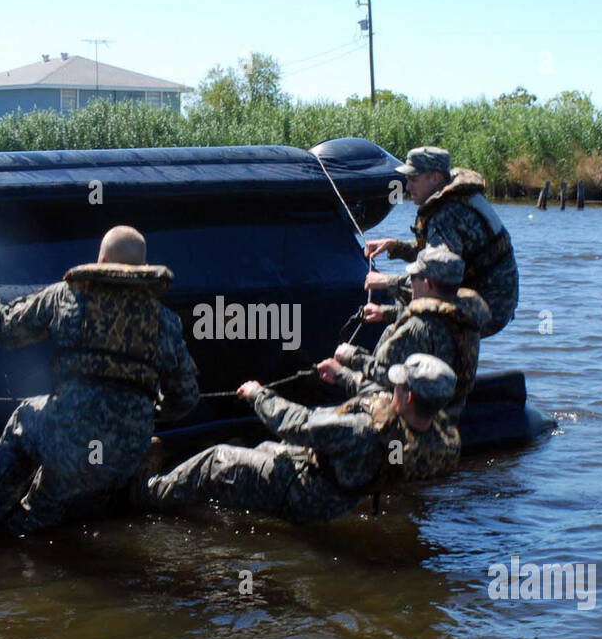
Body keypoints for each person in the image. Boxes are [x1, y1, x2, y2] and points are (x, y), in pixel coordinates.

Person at [0, 225, 200, 537]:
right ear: (144, 269)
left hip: (71, 443)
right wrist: (149, 412)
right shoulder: (167, 322)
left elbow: (2, 328)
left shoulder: (65, 297)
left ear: (101, 259)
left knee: (25, 417)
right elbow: (186, 397)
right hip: (124, 455)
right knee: (42, 510)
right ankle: (30, 526)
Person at [137, 353, 461, 523]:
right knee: (261, 449)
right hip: (341, 493)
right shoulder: (434, 432)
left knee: (217, 460)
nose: (394, 388)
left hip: (306, 497)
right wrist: (343, 374)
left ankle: (147, 492)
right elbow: (376, 396)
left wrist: (257, 394)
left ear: (406, 399)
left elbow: (298, 424)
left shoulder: (361, 432)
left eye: (400, 386)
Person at [316, 245, 489, 424]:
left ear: (427, 283)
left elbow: (385, 375)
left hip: (408, 422)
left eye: (413, 277)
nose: (410, 282)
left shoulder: (416, 330)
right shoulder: (466, 317)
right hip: (448, 413)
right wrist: (387, 312)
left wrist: (350, 359)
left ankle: (388, 450)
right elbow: (434, 313)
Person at [364, 146, 518, 337]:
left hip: (488, 307)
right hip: (495, 299)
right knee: (409, 296)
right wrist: (396, 246)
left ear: (435, 178)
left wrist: (386, 281)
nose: (408, 187)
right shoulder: (458, 199)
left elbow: (440, 274)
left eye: (414, 180)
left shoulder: (447, 214)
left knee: (411, 316)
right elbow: (439, 253)